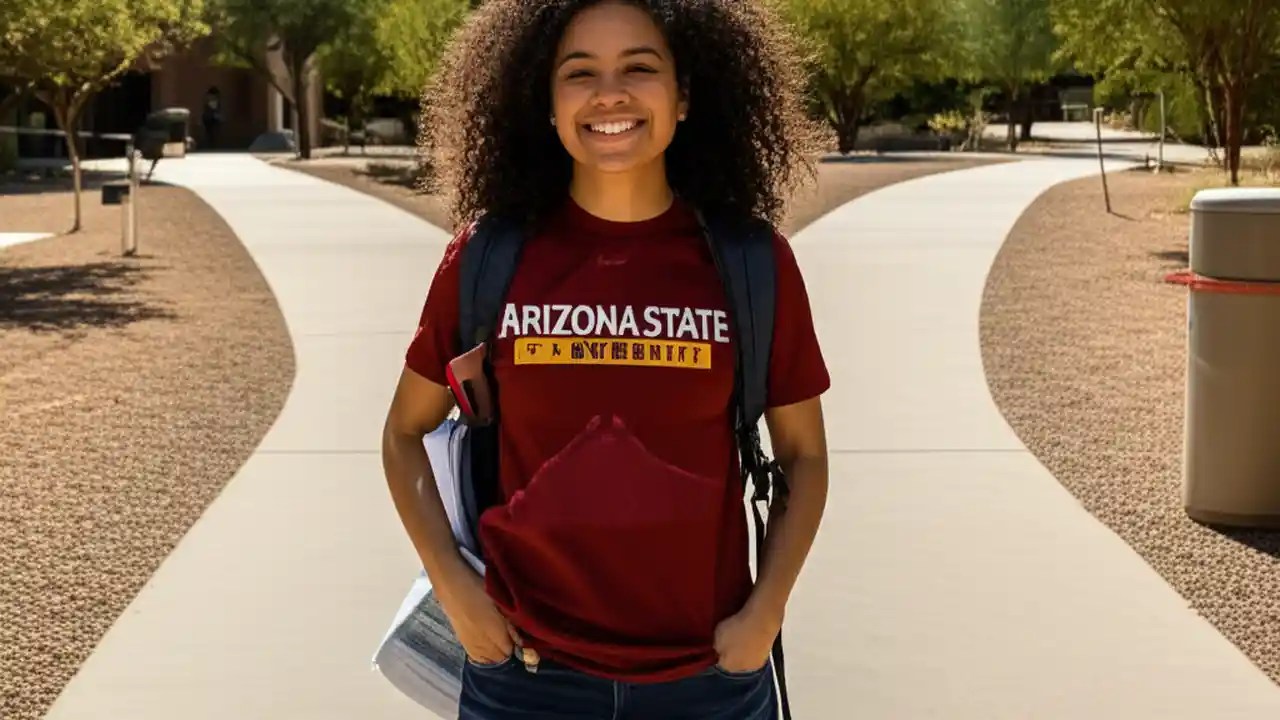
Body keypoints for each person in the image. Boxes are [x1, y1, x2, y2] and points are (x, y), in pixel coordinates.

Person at [381, 1, 830, 718]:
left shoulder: (751, 264)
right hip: (524, 680)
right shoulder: (489, 257)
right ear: (548, 103)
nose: (609, 93)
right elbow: (404, 431)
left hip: (707, 680)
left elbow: (803, 455)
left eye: (640, 69)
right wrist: (457, 592)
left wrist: (764, 615)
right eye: (579, 72)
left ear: (684, 96)